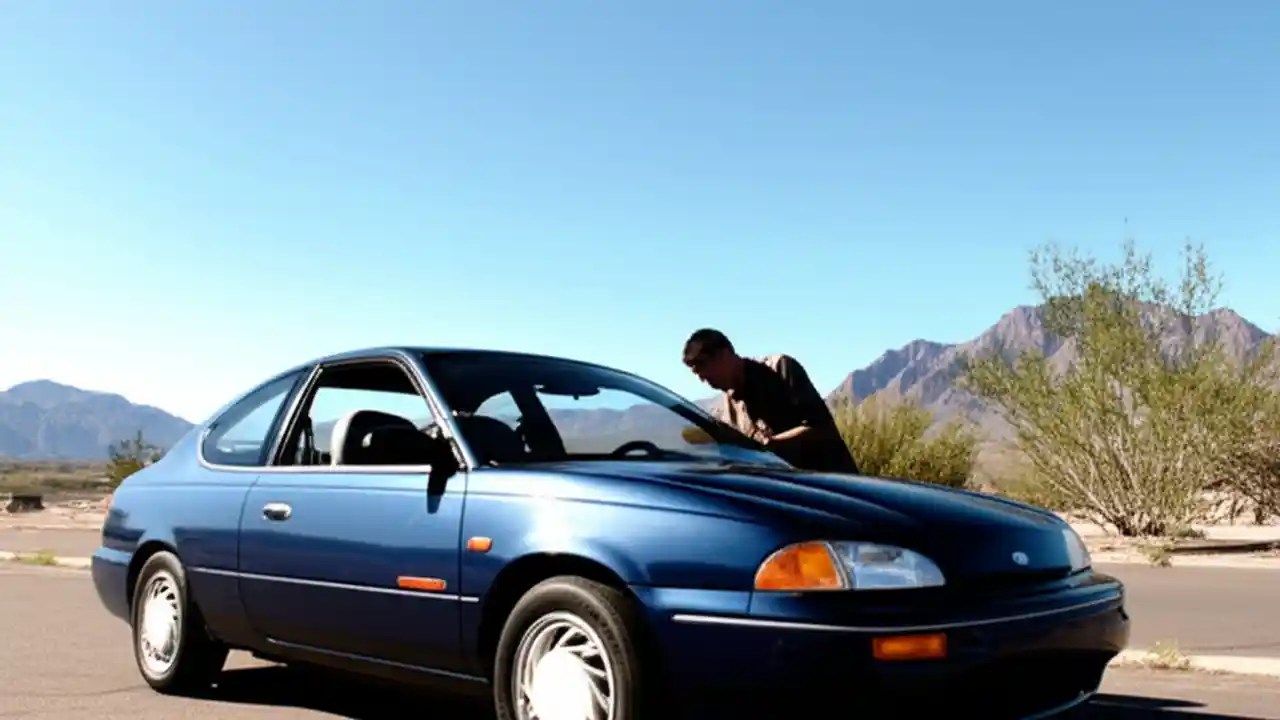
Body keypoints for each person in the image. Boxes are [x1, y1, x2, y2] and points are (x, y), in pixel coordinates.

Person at [681, 328, 859, 474]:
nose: (703, 378)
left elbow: (821, 426)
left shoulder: (780, 369)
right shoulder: (725, 412)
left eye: (704, 366)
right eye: (697, 374)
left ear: (724, 354)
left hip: (836, 487)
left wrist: (772, 446)